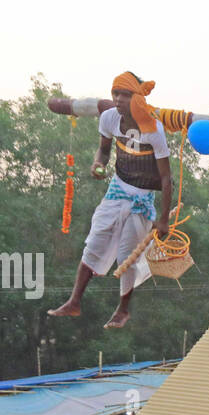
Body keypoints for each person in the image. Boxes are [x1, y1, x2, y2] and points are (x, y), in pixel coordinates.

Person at [47, 72, 174, 328]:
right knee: (94, 241)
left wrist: (162, 220)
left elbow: (166, 179)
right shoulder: (109, 118)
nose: (118, 99)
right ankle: (74, 302)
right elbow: (104, 151)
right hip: (117, 189)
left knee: (128, 255)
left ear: (136, 98)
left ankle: (123, 310)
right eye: (115, 93)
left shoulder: (154, 129)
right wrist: (97, 164)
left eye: (125, 95)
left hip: (142, 198)